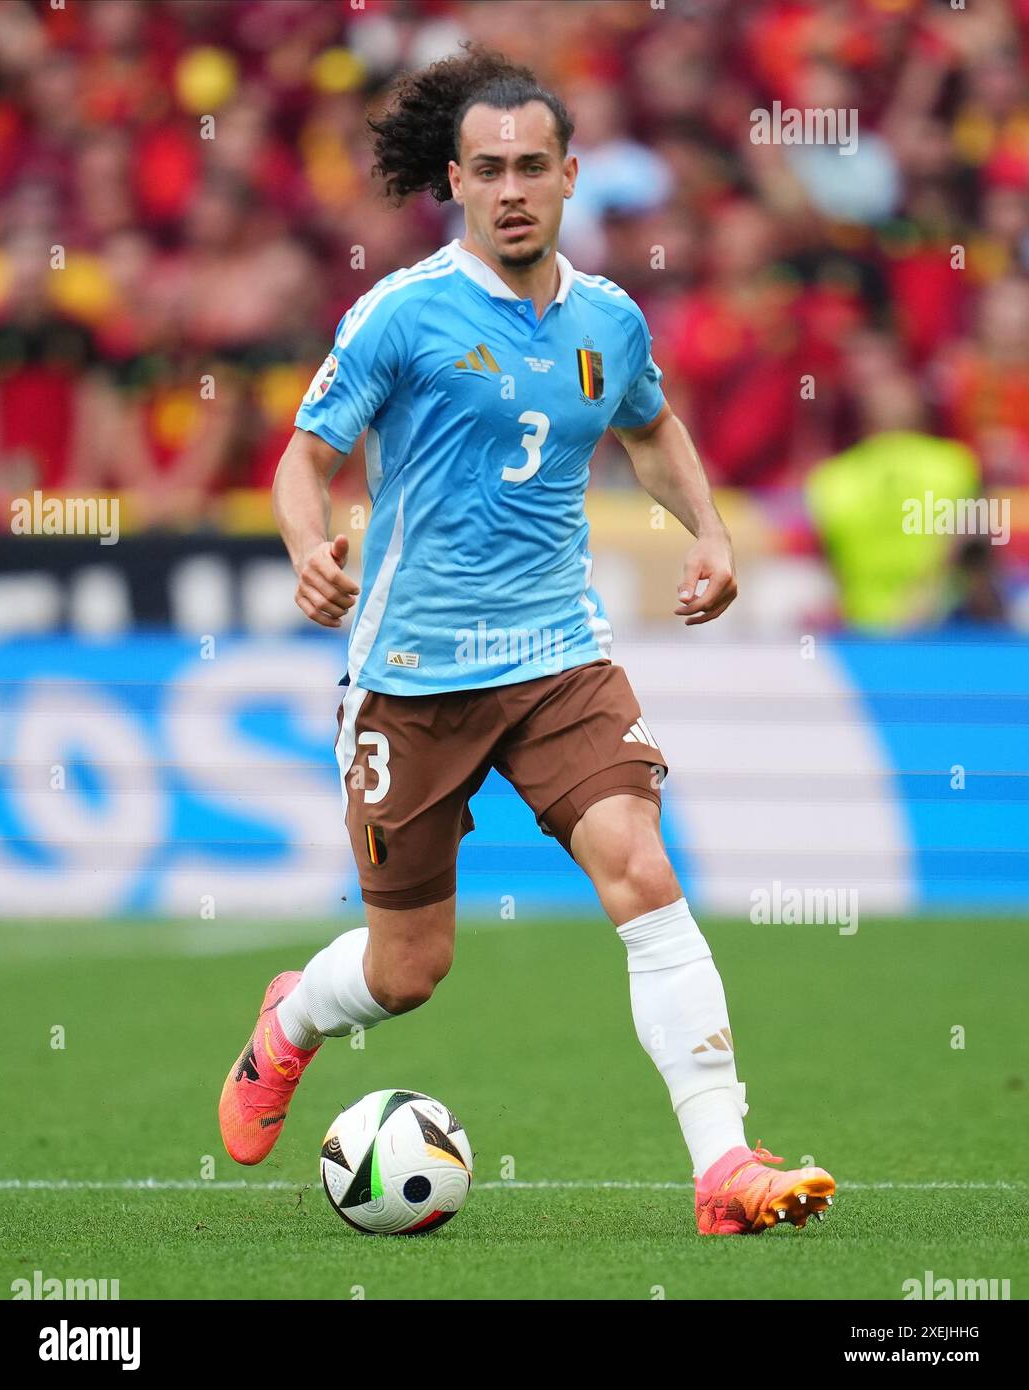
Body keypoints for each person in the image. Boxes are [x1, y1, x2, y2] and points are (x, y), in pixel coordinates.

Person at [218, 47, 834, 1236]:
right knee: (409, 970)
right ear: (454, 179)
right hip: (410, 681)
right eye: (487, 168)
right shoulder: (400, 313)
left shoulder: (607, 316)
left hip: (557, 657)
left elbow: (649, 425)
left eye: (532, 167)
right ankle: (291, 1020)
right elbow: (304, 458)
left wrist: (704, 528)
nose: (510, 188)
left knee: (642, 872)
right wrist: (306, 548)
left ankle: (723, 1169)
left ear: (567, 179)